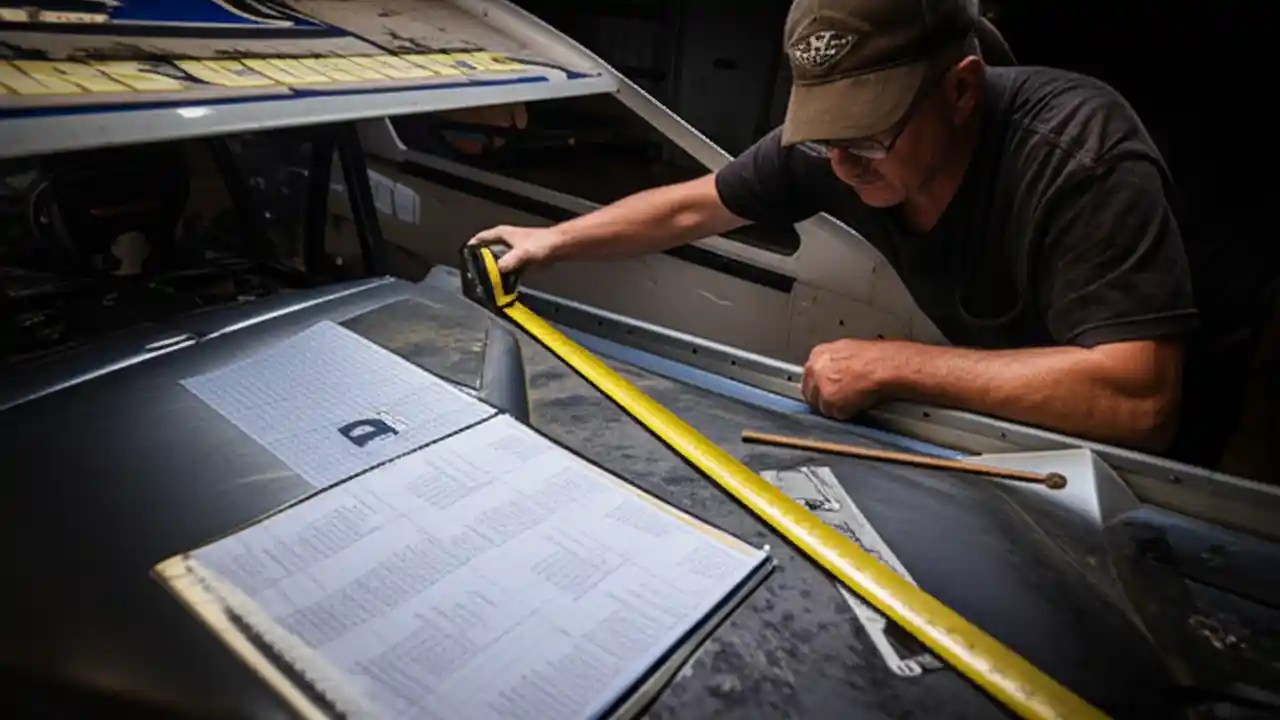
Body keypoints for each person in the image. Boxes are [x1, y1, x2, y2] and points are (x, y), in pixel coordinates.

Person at [468, 0, 1264, 469]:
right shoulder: (840, 149)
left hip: (1181, 409)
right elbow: (691, 206)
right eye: (824, 138)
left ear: (961, 92)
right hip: (1039, 381)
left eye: (871, 137)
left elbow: (1138, 398)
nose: (843, 165)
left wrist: (899, 364)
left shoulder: (1078, 154)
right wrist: (550, 243)